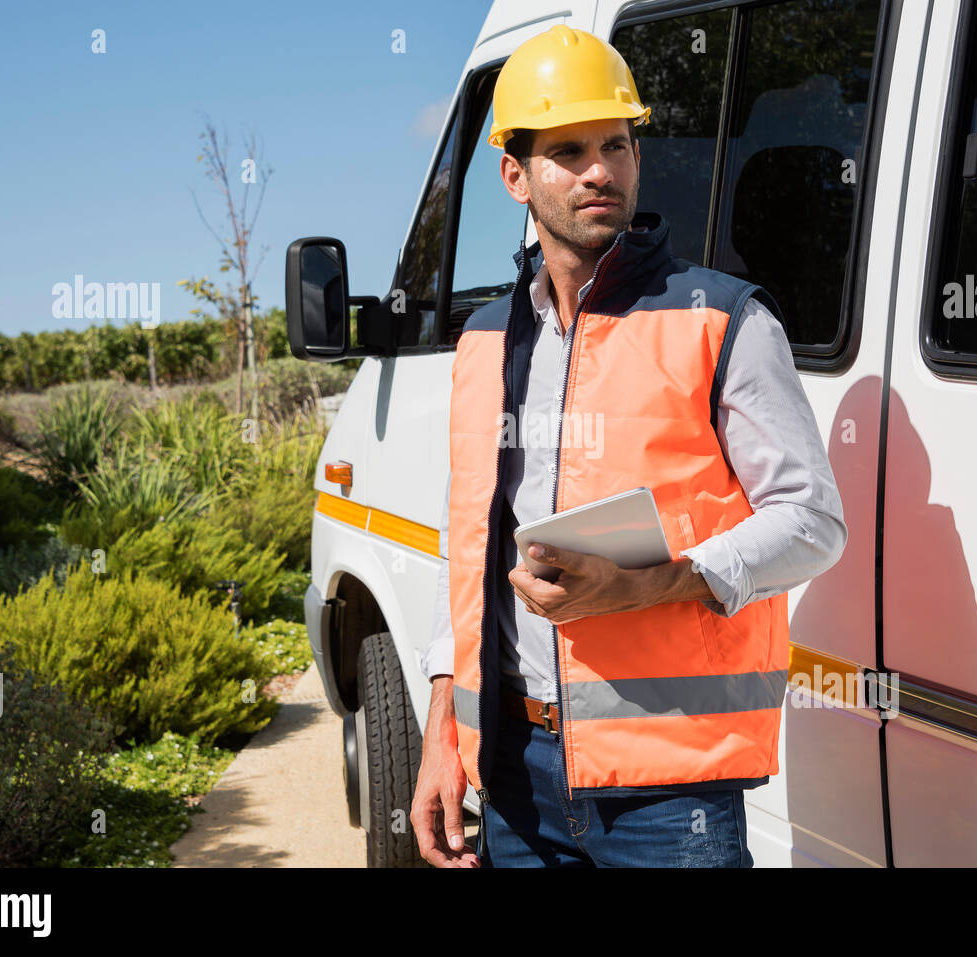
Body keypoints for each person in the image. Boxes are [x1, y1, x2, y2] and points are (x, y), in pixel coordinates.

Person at [408, 24, 847, 868]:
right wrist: (442, 735)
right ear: (515, 176)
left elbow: (812, 519)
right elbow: (467, 548)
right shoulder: (485, 340)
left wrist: (662, 579)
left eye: (615, 143)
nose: (600, 170)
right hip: (512, 774)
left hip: (671, 789)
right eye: (568, 151)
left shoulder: (723, 319)